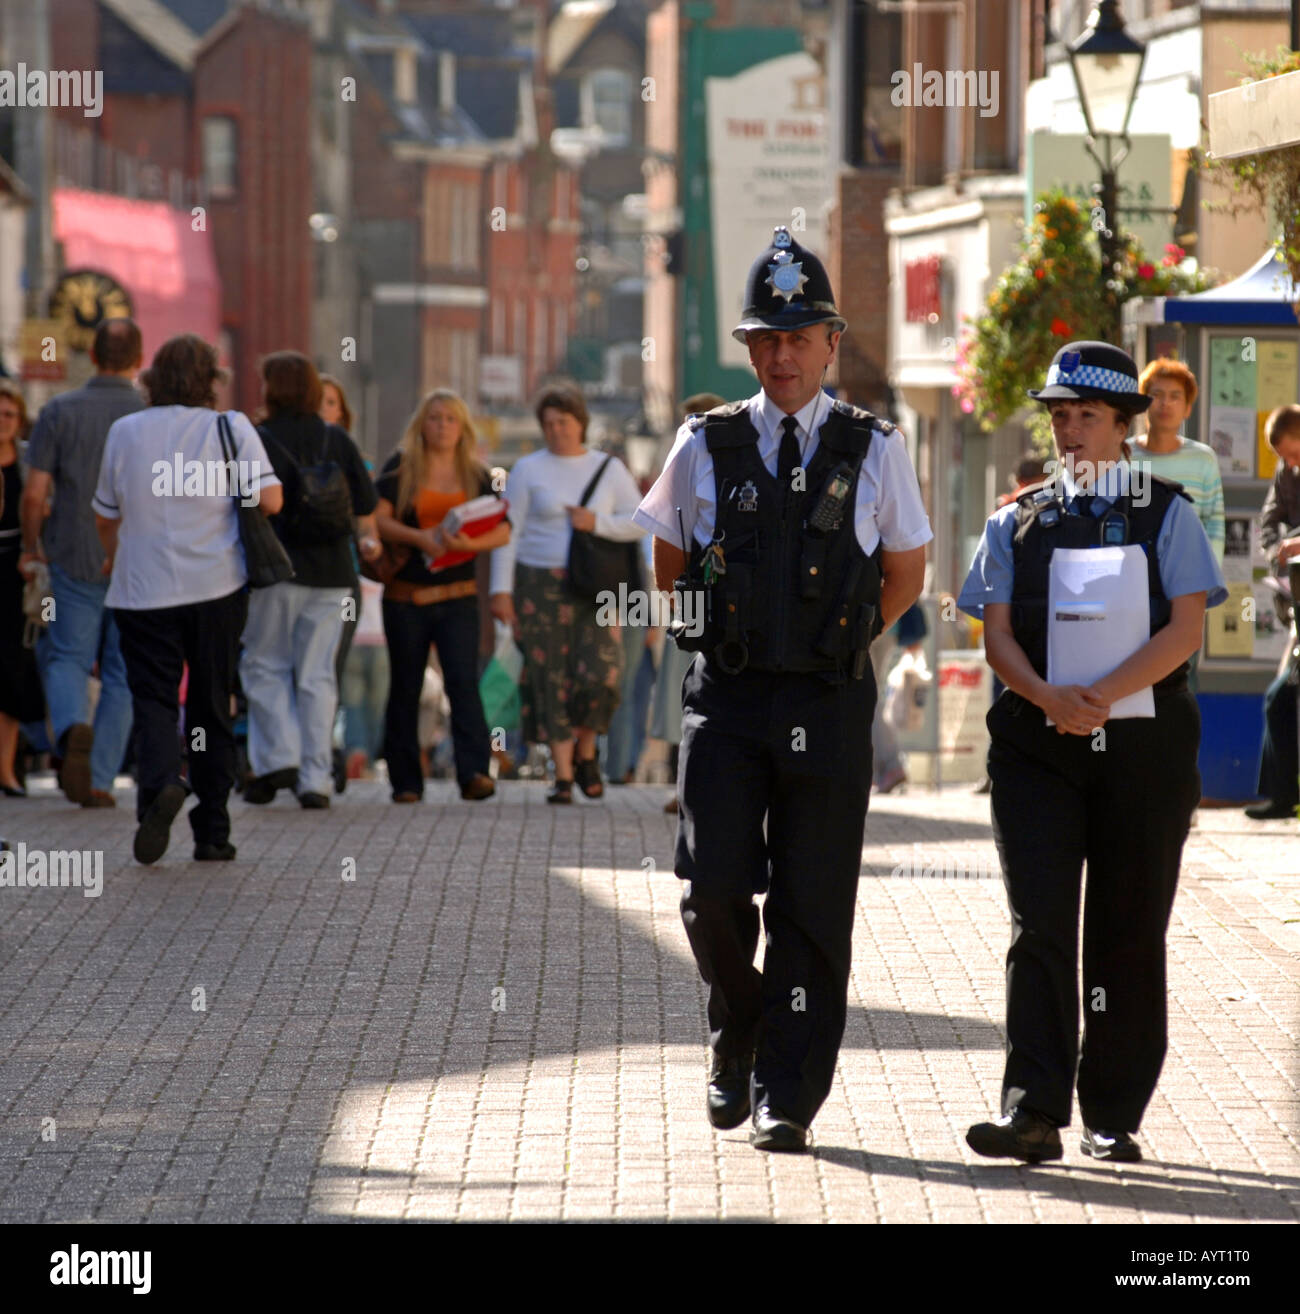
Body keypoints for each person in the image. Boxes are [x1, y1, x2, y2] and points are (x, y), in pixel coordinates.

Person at [633, 226, 930, 1152]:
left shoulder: (875, 446)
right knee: (711, 888)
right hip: (726, 697)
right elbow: (668, 555)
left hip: (827, 703)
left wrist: (835, 643)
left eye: (800, 337)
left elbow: (908, 573)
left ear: (832, 342)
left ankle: (786, 1093)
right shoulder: (704, 441)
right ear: (749, 348)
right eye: (766, 338)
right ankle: (739, 1032)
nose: (782, 354)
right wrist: (714, 628)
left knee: (812, 902)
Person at [957, 341, 1226, 1163]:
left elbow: (1187, 627)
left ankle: (1113, 1109)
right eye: (1059, 415)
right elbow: (994, 634)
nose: (1070, 431)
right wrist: (1048, 698)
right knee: (1038, 924)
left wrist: (1101, 694)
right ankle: (1032, 1109)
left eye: (1088, 417)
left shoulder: (1167, 512)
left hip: (1142, 747)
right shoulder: (1016, 519)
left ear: (1124, 427)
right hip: (1039, 747)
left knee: (1127, 926)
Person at [92, 333, 284, 864]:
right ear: (210, 380)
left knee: (153, 698)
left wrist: (116, 552)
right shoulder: (230, 427)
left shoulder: (126, 431)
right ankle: (212, 830)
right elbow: (271, 499)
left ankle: (158, 787)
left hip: (142, 588)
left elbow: (105, 513)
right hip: (216, 587)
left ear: (153, 378)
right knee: (209, 702)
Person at [488, 385, 644, 804]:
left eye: (565, 422)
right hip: (539, 583)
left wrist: (596, 523)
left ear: (581, 423)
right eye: (549, 423)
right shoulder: (527, 469)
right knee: (548, 675)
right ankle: (562, 773)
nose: (557, 430)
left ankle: (587, 752)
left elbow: (640, 521)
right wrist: (500, 591)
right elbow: (509, 533)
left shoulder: (608, 469)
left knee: (601, 671)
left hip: (597, 585)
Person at [240, 352, 380, 809]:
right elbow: (364, 502)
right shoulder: (336, 439)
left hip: (275, 569)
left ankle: (279, 756)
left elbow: (246, 502)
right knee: (318, 678)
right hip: (334, 576)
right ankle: (315, 779)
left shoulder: (258, 438)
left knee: (264, 666)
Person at [19, 319, 145, 807]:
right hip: (135, 563)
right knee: (122, 670)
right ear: (138, 359)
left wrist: (33, 548)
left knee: (67, 656)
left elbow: (34, 495)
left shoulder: (59, 411)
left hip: (74, 555)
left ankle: (72, 729)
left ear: (91, 355)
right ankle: (98, 776)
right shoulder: (148, 415)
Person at [375, 388, 508, 803]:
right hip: (406, 597)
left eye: (451, 419)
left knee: (463, 683)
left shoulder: (479, 474)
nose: (442, 426)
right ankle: (406, 781)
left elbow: (504, 530)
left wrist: (464, 546)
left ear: (463, 427)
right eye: (434, 418)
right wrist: (420, 538)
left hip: (458, 595)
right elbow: (377, 521)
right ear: (421, 424)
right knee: (406, 685)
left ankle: (473, 773)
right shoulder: (401, 468)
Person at [650, 393, 726, 814]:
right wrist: (674, 599)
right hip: (690, 595)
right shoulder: (680, 465)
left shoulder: (734, 463)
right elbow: (661, 537)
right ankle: (684, 785)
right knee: (686, 691)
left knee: (713, 693)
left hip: (724, 593)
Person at [1248, 404, 1300, 820]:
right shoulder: (1287, 475)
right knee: (1279, 699)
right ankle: (1281, 795)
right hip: (1297, 604)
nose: (1290, 464)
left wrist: (1296, 542)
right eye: (1284, 456)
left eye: (1295, 454)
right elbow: (1269, 521)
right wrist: (1276, 552)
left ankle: (1283, 797)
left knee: (1280, 699)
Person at [1130, 358, 1225, 561]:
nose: (1165, 403)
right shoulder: (1121, 455)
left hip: (1189, 576)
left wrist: (1208, 583)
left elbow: (1214, 525)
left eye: (1175, 396)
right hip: (1133, 574)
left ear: (1187, 408)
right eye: (1156, 395)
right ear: (1143, 401)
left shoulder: (1203, 459)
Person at [318, 373, 361, 793]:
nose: (322, 410)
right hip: (287, 579)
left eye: (330, 402)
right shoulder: (278, 449)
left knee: (327, 670)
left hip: (340, 579)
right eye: (316, 401)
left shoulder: (354, 464)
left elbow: (369, 521)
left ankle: (325, 750)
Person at [1, 381, 44, 795]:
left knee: (12, 669)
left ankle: (7, 769)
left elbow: (41, 504)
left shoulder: (29, 460)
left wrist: (34, 553)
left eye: (9, 414)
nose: (2, 422)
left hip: (18, 571)